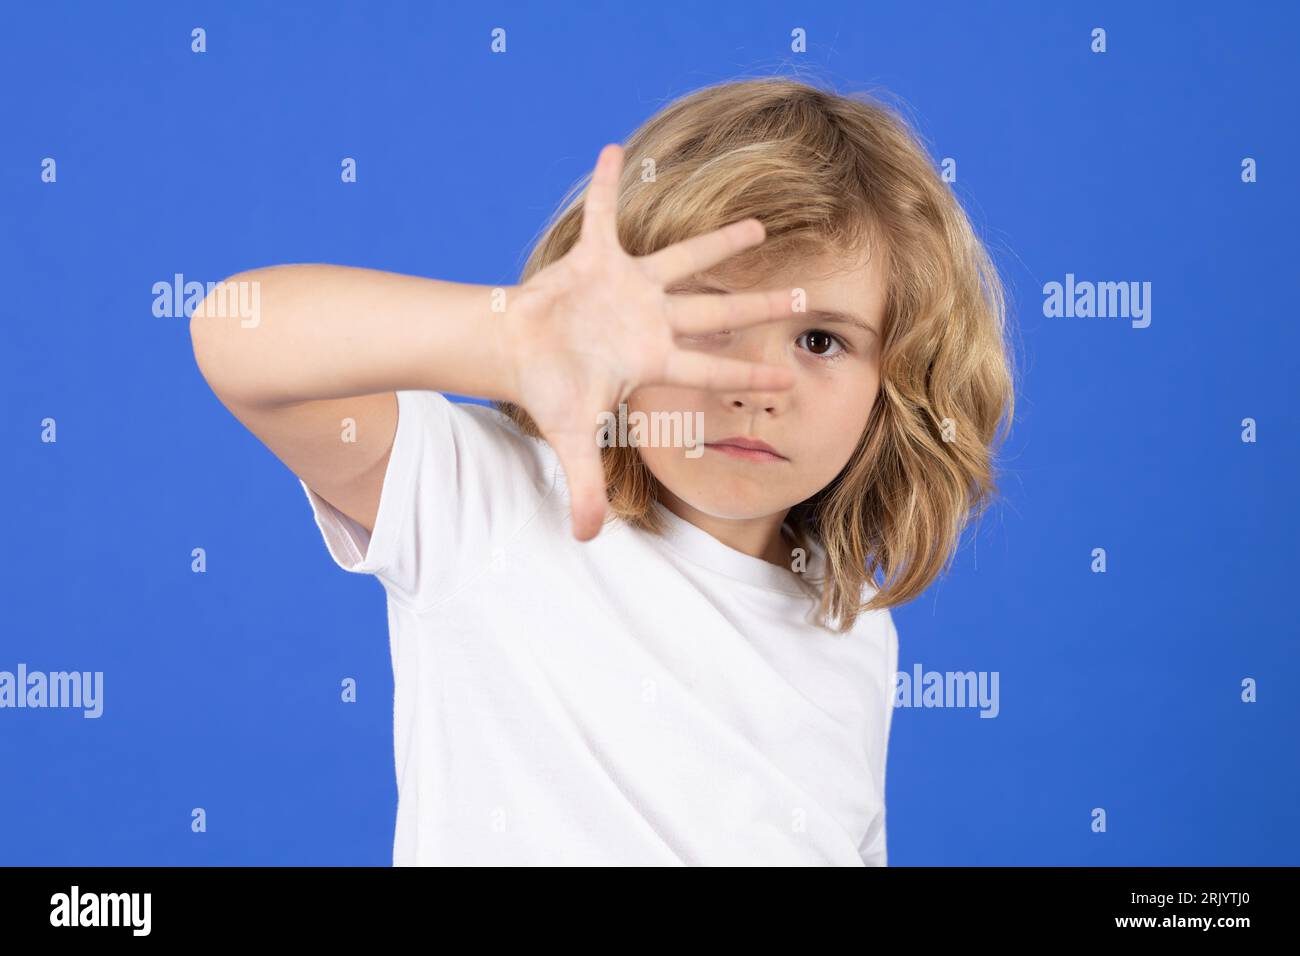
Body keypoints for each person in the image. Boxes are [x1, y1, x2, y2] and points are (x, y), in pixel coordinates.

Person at [189, 77, 1016, 866]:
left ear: (894, 387)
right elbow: (240, 332)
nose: (758, 390)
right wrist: (509, 339)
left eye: (820, 341)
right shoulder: (489, 502)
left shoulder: (855, 628)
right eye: (704, 322)